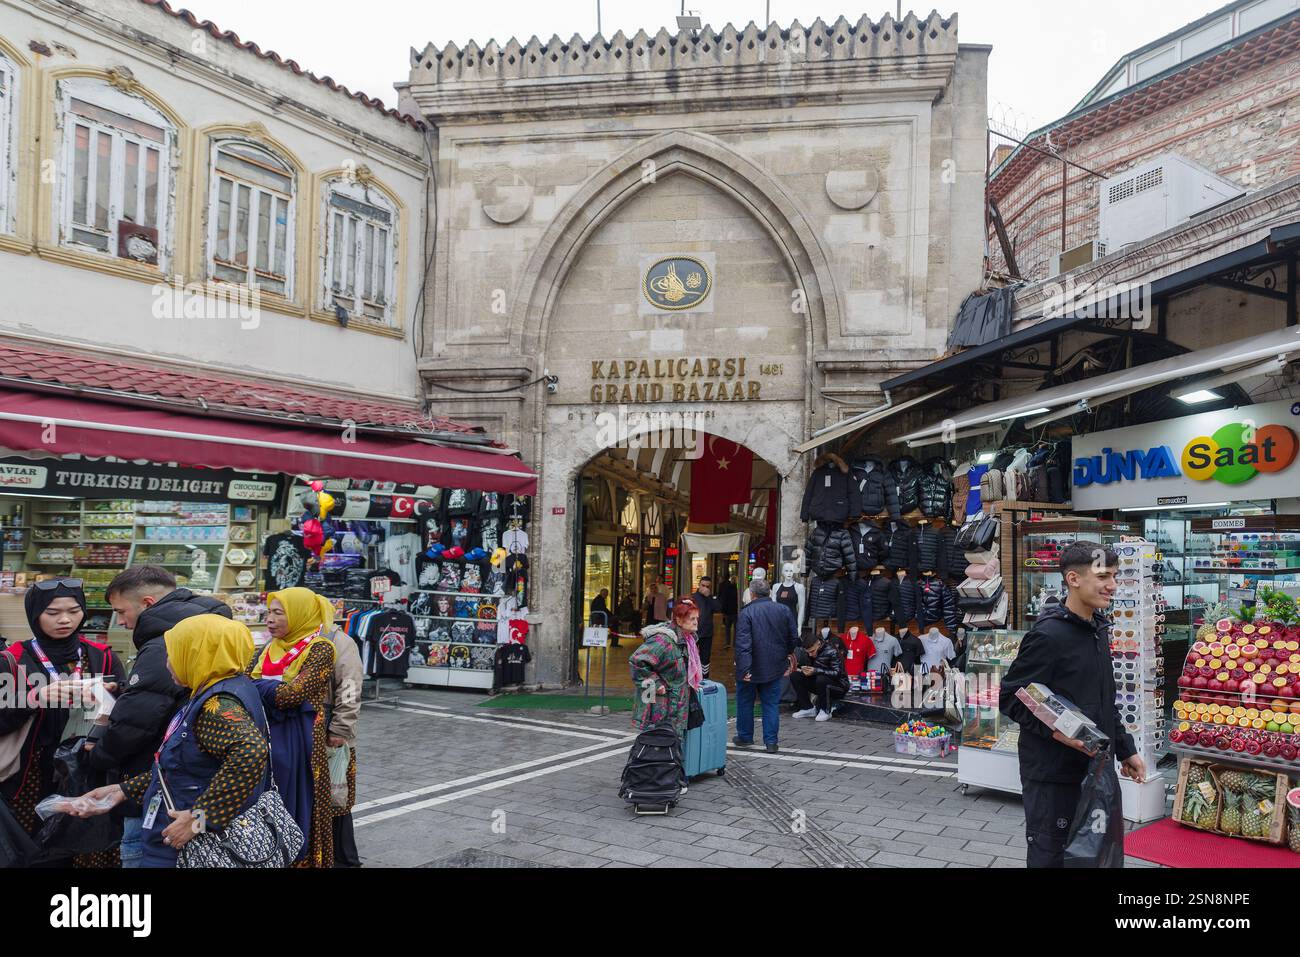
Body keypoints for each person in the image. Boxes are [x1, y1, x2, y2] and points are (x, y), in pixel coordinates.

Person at [74, 615, 271, 868]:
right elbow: (183, 764)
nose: (167, 663)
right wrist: (122, 791)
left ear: (198, 655)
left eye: (175, 653)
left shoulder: (217, 704)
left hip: (188, 847)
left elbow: (251, 752)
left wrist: (200, 818)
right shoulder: (227, 686)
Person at [998, 542, 1147, 868]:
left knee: (1094, 857)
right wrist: (1056, 731)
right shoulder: (1049, 635)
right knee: (1052, 858)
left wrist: (1126, 748)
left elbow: (1106, 700)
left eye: (1115, 576)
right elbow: (1012, 697)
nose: (1113, 585)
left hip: (1095, 770)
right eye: (1104, 576)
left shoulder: (1098, 630)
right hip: (1054, 776)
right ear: (1073, 579)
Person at [90, 565, 231, 867]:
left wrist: (98, 754)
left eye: (122, 611)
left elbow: (137, 721)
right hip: (180, 783)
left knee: (145, 855)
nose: (121, 621)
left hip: (159, 789)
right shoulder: (203, 630)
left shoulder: (163, 643)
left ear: (148, 604)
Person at [0, 578, 126, 866]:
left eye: (74, 610)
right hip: (27, 776)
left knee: (80, 850)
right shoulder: (13, 659)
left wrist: (115, 693)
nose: (65, 620)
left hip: (84, 769)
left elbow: (128, 707)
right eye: (53, 613)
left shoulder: (101, 656)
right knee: (27, 851)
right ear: (34, 614)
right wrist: (34, 697)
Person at [251, 588, 339, 869]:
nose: (270, 619)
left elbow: (290, 696)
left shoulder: (320, 648)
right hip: (266, 735)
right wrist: (269, 688)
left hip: (300, 740)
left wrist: (258, 688)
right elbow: (245, 683)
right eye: (269, 612)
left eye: (279, 613)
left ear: (300, 615)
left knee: (297, 802)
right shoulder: (269, 647)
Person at [733, 577, 798, 753]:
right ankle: (771, 742)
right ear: (769, 592)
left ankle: (745, 736)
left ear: (752, 594)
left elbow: (743, 644)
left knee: (745, 702)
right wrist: (787, 654)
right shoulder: (783, 610)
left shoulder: (746, 613)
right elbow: (793, 637)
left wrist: (744, 668)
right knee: (770, 704)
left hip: (752, 666)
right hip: (775, 664)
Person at [628, 598, 701, 740]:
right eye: (691, 618)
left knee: (673, 748)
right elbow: (637, 661)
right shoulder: (663, 641)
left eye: (697, 618)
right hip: (662, 708)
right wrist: (656, 684)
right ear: (679, 621)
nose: (696, 622)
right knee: (659, 748)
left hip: (677, 705)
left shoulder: (688, 640)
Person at [326, 623, 364, 868]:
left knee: (336, 795)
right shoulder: (288, 641)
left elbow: (350, 686)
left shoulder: (339, 641)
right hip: (304, 734)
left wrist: (340, 728)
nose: (271, 619)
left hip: (332, 735)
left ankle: (344, 858)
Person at [791, 632, 849, 722]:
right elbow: (812, 668)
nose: (810, 654)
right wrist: (804, 669)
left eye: (812, 651)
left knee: (821, 678)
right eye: (808, 652)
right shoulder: (809, 653)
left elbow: (838, 673)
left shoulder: (832, 651)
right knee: (795, 675)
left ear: (818, 643)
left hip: (839, 686)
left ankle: (825, 710)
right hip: (820, 683)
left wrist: (816, 671)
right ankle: (807, 708)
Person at [690, 576, 718, 679]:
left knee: (705, 658)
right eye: (703, 585)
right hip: (693, 632)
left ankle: (705, 678)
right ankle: (692, 677)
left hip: (707, 633)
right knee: (691, 656)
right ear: (699, 585)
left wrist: (709, 597)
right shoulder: (693, 597)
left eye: (707, 586)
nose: (705, 588)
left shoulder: (711, 597)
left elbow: (718, 608)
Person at [719, 575, 739, 649]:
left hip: (728, 611)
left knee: (728, 628)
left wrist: (723, 611)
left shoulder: (727, 589)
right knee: (736, 628)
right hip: (735, 611)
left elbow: (724, 600)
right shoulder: (738, 590)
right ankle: (734, 643)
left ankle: (727, 642)